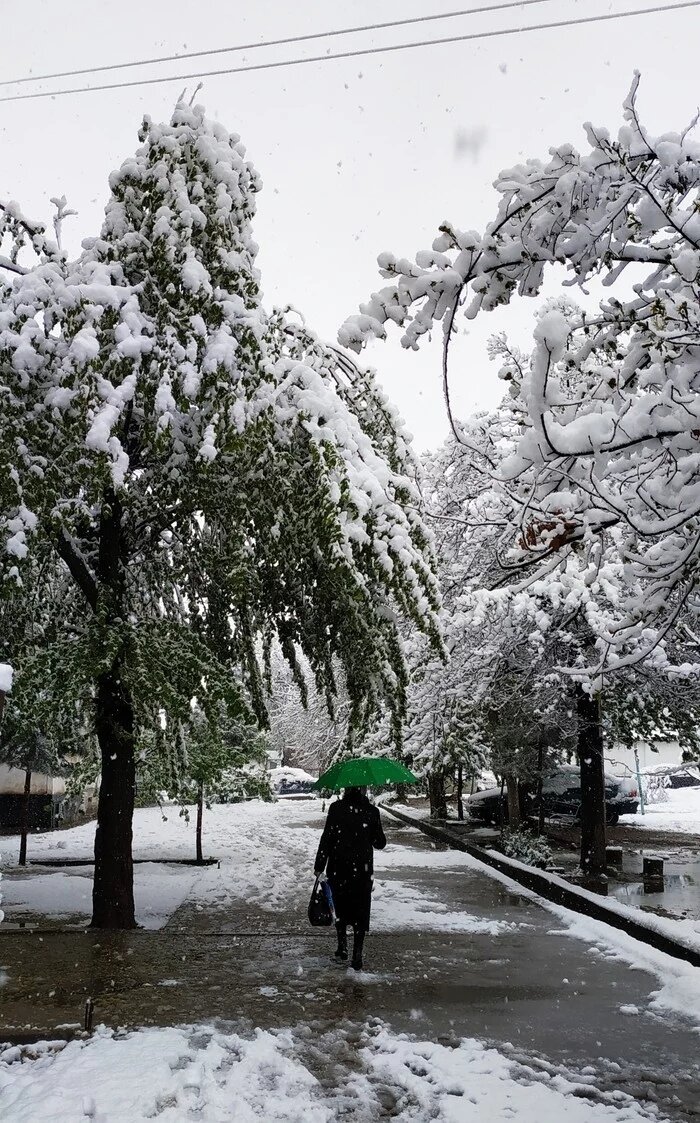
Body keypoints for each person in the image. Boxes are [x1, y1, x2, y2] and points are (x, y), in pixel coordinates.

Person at [314, 786, 386, 970]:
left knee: (340, 907)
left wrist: (319, 866)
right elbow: (380, 843)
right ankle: (357, 954)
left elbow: (327, 838)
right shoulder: (372, 811)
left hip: (338, 868)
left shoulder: (336, 809)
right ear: (363, 790)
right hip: (362, 871)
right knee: (360, 911)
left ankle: (342, 947)